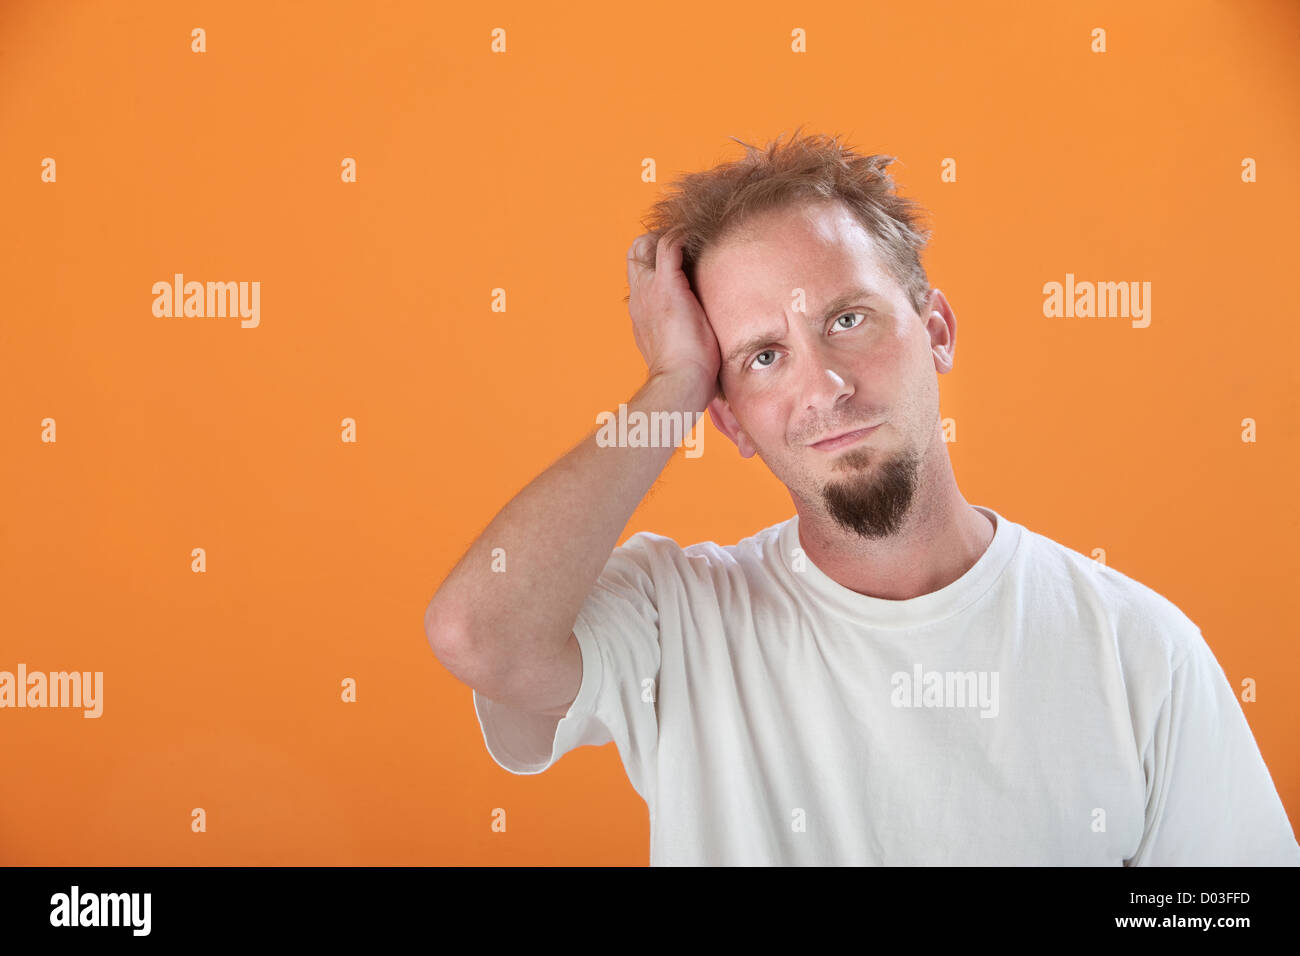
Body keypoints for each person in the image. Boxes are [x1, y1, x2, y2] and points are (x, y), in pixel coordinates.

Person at [424, 127, 1300, 866]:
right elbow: (477, 633)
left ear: (938, 332)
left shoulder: (1137, 646)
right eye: (763, 356)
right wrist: (674, 383)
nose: (825, 387)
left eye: (847, 319)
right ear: (728, 422)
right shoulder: (677, 621)